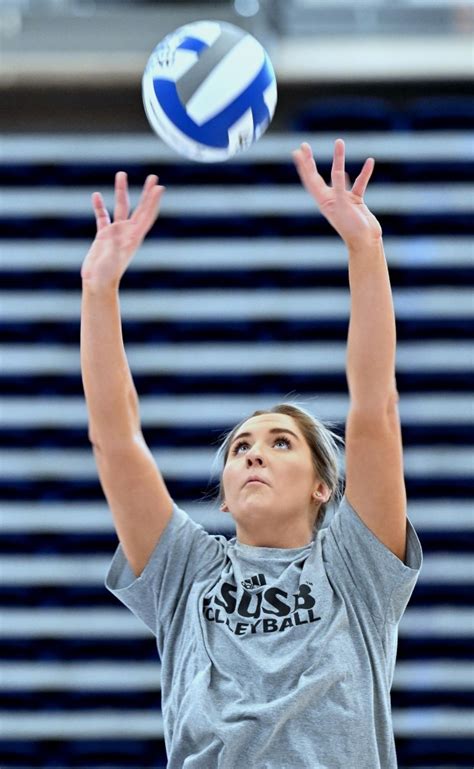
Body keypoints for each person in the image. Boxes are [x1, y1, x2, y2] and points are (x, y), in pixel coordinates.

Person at [80, 140, 423, 769]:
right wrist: (98, 291)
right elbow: (115, 438)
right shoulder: (186, 571)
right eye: (240, 447)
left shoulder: (355, 567)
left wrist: (366, 251)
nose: (252, 456)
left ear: (325, 486)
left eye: (279, 442)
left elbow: (375, 409)